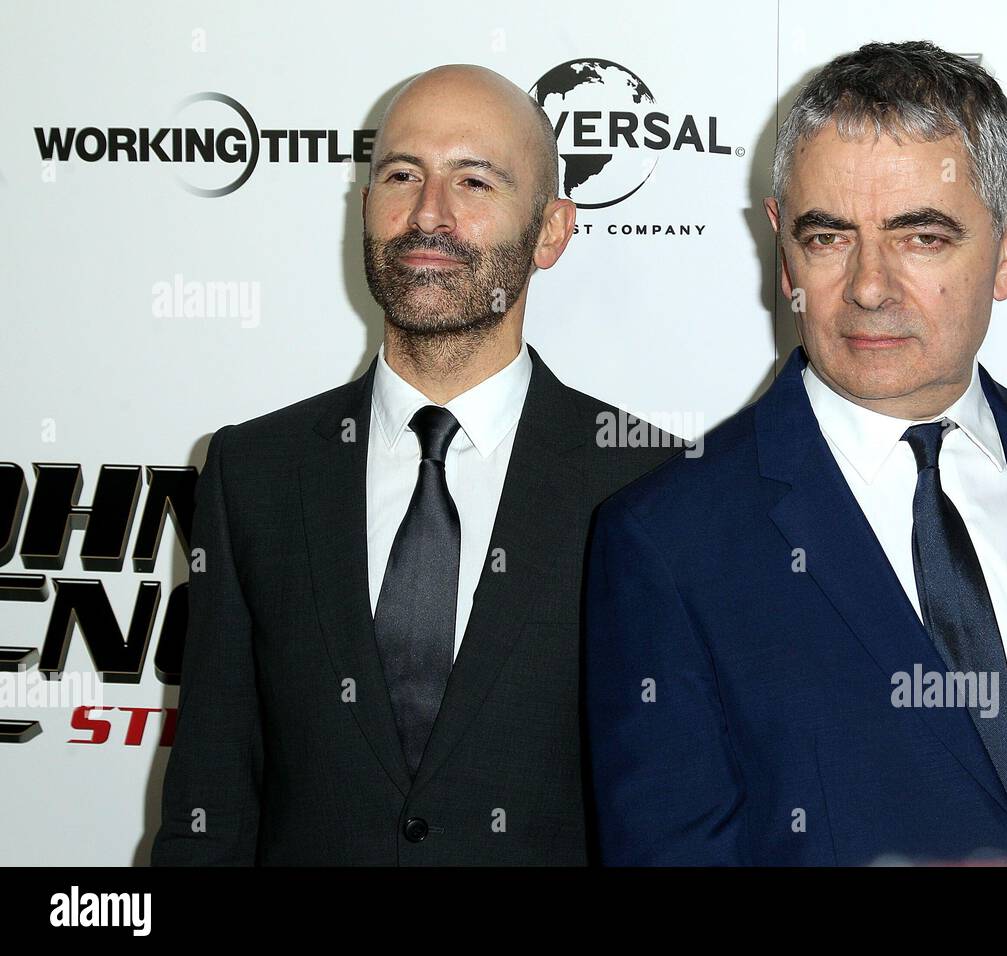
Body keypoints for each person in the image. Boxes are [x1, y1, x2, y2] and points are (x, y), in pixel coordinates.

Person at [583, 41, 1007, 866]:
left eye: (921, 237)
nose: (869, 286)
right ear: (781, 245)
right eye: (828, 237)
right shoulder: (669, 540)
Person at [153, 65, 674, 865]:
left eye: (474, 180)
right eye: (402, 175)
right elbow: (210, 807)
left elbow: (673, 816)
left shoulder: (649, 486)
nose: (429, 214)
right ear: (364, 208)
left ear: (551, 231)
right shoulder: (253, 472)